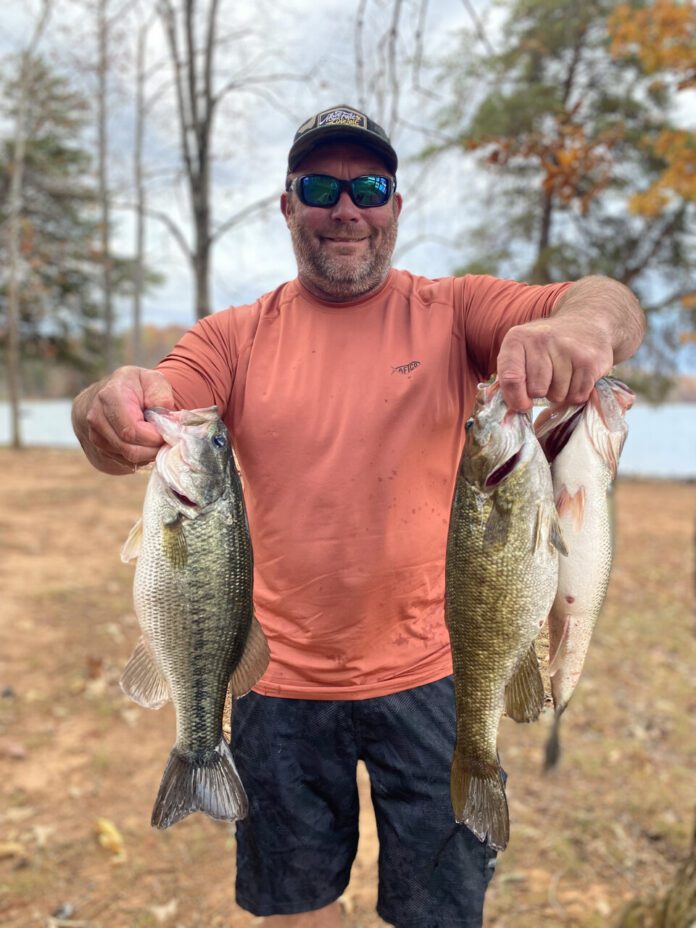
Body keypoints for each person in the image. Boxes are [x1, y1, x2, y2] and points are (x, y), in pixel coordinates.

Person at [72, 105, 645, 928]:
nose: (348, 208)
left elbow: (609, 303)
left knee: (438, 912)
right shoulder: (230, 339)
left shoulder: (457, 312)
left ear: (396, 207)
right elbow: (144, 406)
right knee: (297, 906)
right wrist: (103, 407)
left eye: (370, 187)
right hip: (275, 678)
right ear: (288, 204)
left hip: (438, 671)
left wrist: (583, 326)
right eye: (321, 186)